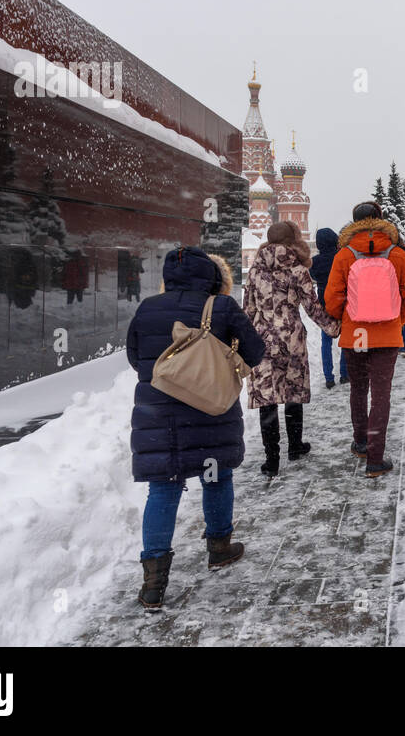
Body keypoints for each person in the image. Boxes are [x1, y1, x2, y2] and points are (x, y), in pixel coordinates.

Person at [126, 246, 266, 609]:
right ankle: (219, 548)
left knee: (163, 491)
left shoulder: (147, 309)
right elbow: (255, 350)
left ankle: (153, 582)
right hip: (211, 411)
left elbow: (136, 358)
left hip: (158, 415)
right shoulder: (220, 306)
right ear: (212, 277)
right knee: (216, 476)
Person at [324, 202, 405, 478]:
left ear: (353, 222)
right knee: (381, 395)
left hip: (355, 333)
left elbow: (332, 299)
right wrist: (395, 321)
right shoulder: (397, 253)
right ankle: (375, 459)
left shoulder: (344, 255)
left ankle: (361, 442)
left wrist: (347, 317)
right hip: (387, 335)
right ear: (380, 220)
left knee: (358, 389)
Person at [244, 221, 340, 476]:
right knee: (292, 392)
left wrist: (243, 340)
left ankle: (271, 459)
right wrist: (334, 329)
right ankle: (295, 446)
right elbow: (312, 307)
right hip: (291, 339)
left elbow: (248, 311)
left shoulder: (254, 271)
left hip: (261, 340)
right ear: (292, 241)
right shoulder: (298, 270)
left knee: (268, 398)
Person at [309, 227, 349, 389]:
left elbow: (313, 276)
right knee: (345, 340)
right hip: (342, 302)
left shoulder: (315, 262)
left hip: (324, 305)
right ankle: (345, 374)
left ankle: (328, 377)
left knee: (326, 342)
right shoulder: (341, 258)